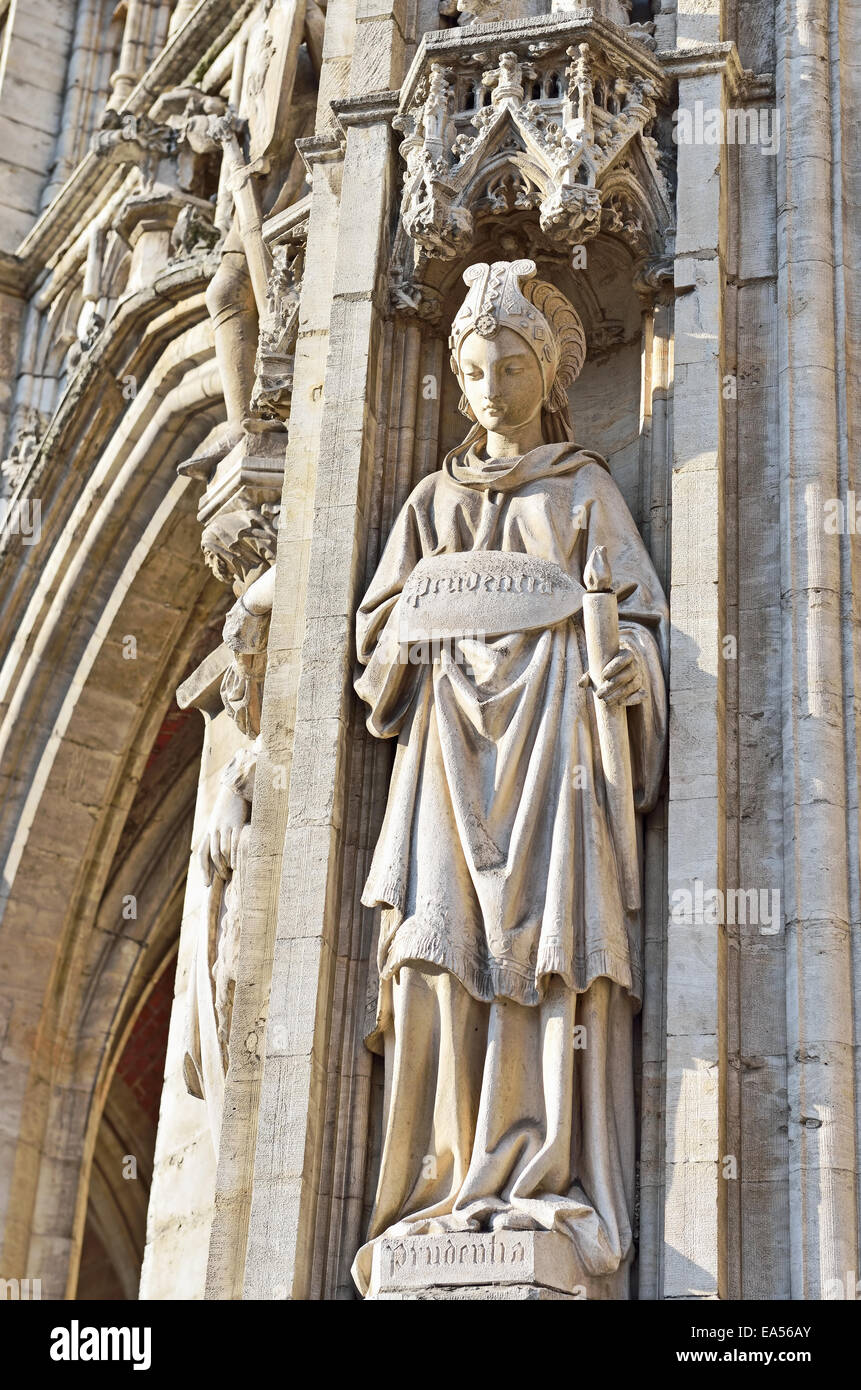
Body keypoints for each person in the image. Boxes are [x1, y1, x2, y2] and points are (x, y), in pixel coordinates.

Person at [351, 259, 668, 1296]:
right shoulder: (433, 506)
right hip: (444, 770)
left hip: (552, 785)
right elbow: (375, 653)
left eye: (510, 365)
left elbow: (641, 633)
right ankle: (440, 1191)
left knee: (545, 968)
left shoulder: (586, 492)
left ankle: (540, 1177)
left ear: (546, 374)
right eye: (474, 367)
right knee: (431, 964)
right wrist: (411, 634)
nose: (490, 385)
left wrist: (631, 674)